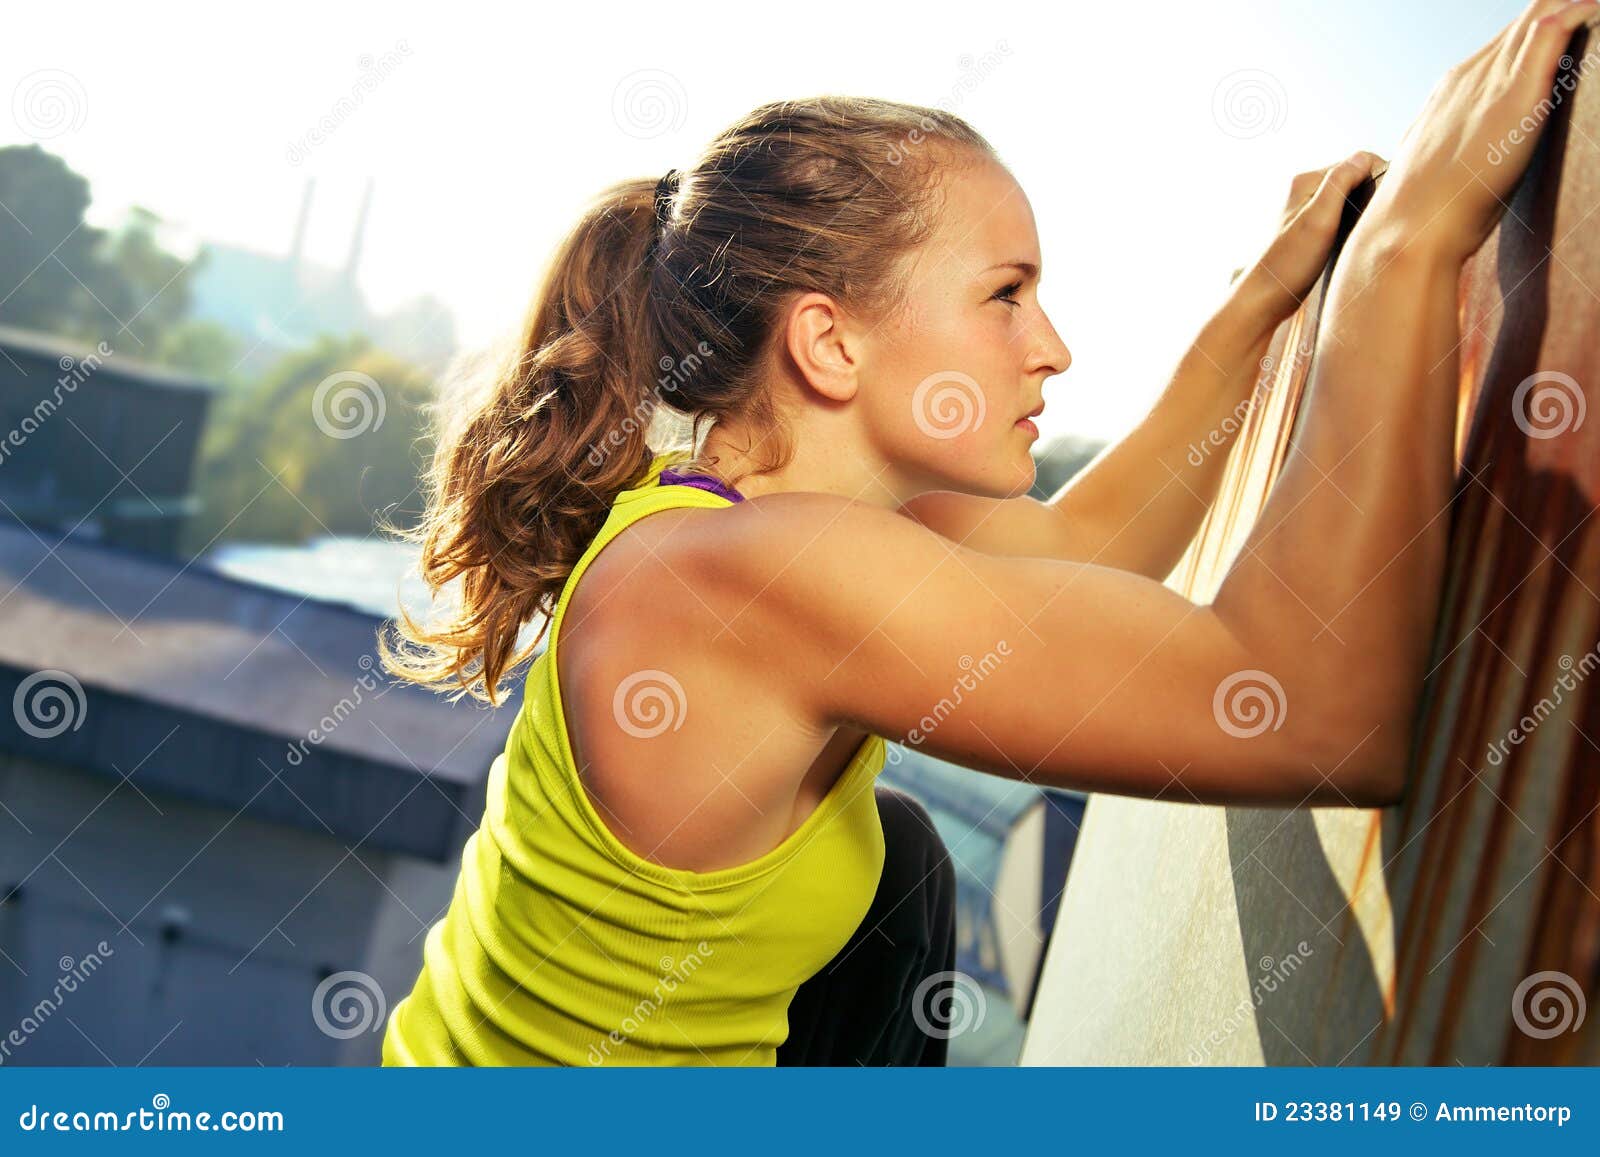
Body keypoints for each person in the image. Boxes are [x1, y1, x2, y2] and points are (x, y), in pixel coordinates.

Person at [377, 0, 1597, 1066]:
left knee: (901, 863)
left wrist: (1270, 300)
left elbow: (1092, 544)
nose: (1051, 345)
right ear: (830, 341)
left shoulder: (764, 520)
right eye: (1003, 294)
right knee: (904, 869)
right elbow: (1314, 715)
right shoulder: (737, 576)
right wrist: (1400, 258)